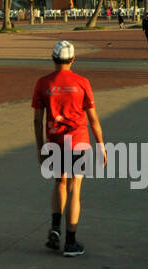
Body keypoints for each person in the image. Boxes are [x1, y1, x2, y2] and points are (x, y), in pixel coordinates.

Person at [32, 40, 105, 257]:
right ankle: (71, 242)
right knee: (75, 188)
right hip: (79, 141)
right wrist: (101, 145)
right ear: (73, 60)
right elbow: (93, 118)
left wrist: (40, 147)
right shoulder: (82, 82)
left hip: (54, 142)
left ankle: (55, 228)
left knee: (59, 183)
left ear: (53, 59)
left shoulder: (42, 83)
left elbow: (37, 120)